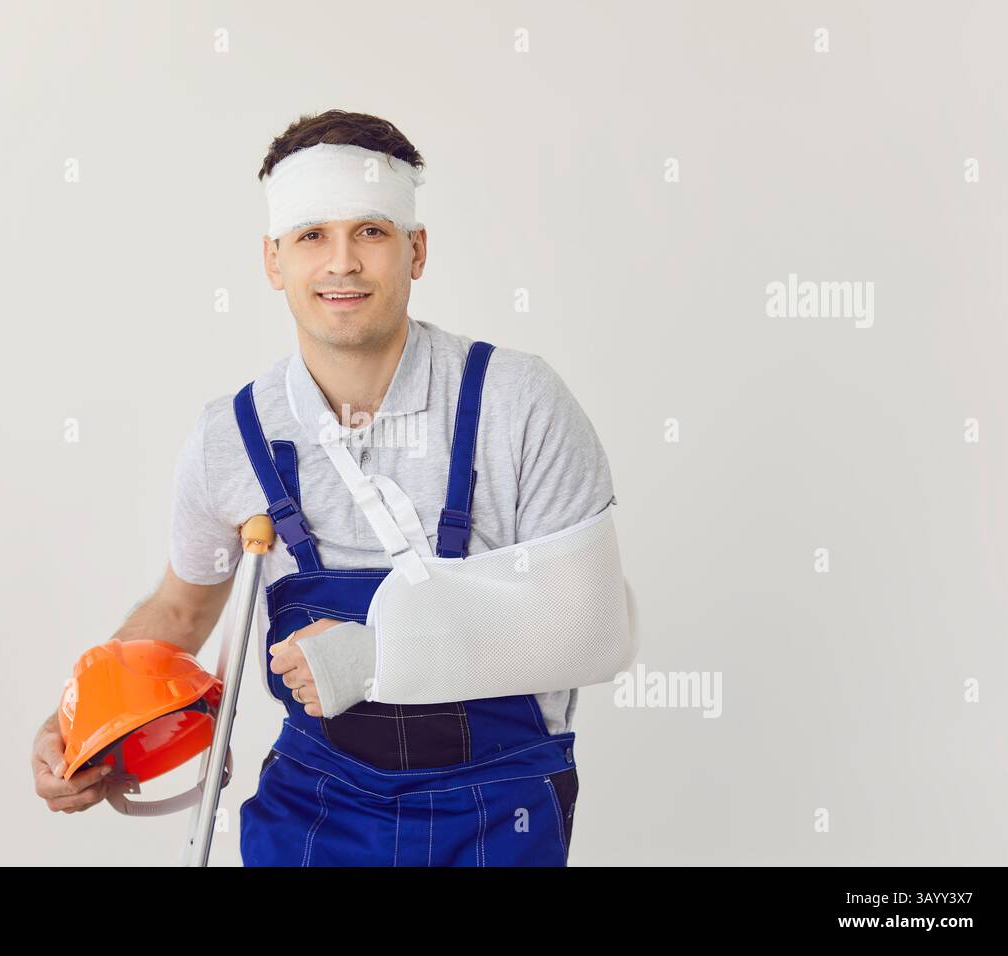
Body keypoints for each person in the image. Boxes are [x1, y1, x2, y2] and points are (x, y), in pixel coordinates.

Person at [32, 109, 624, 865]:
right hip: (312, 815)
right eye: (312, 236)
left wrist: (379, 654)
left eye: (370, 232)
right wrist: (81, 717)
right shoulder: (231, 436)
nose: (341, 263)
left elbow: (590, 630)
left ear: (416, 250)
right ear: (273, 260)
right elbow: (182, 609)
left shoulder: (517, 402)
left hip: (496, 813)